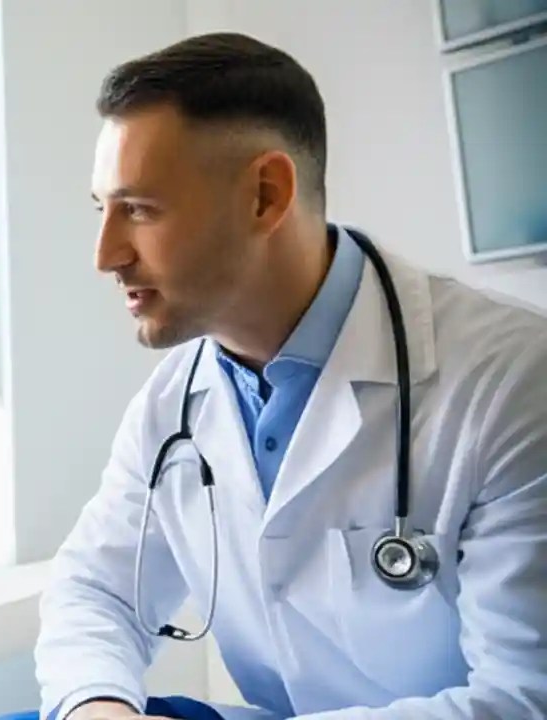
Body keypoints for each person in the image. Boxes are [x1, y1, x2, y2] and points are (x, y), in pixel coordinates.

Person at [34, 32, 547, 720]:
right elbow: (94, 592)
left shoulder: (512, 380)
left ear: (265, 195)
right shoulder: (172, 405)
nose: (106, 255)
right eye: (103, 209)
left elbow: (521, 700)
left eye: (141, 210)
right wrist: (98, 708)